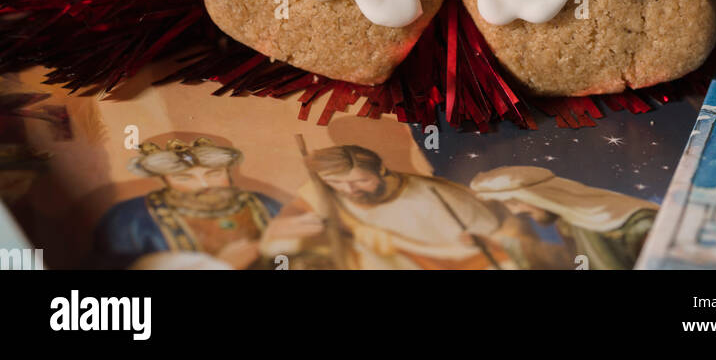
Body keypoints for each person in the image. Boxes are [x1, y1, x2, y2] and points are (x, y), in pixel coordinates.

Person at [261, 144, 515, 270]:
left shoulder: (433, 199)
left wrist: (468, 245)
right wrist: (288, 230)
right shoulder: (321, 194)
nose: (350, 190)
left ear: (382, 171)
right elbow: (275, 240)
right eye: (337, 183)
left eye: (362, 181)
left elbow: (492, 250)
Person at [93, 136, 281, 268]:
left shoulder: (264, 205)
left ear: (228, 172)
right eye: (184, 178)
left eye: (214, 174)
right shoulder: (129, 219)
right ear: (164, 180)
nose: (204, 185)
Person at [470, 165, 656, 270]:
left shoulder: (633, 223)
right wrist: (507, 247)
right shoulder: (571, 223)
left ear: (539, 195)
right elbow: (572, 262)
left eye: (513, 202)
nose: (515, 212)